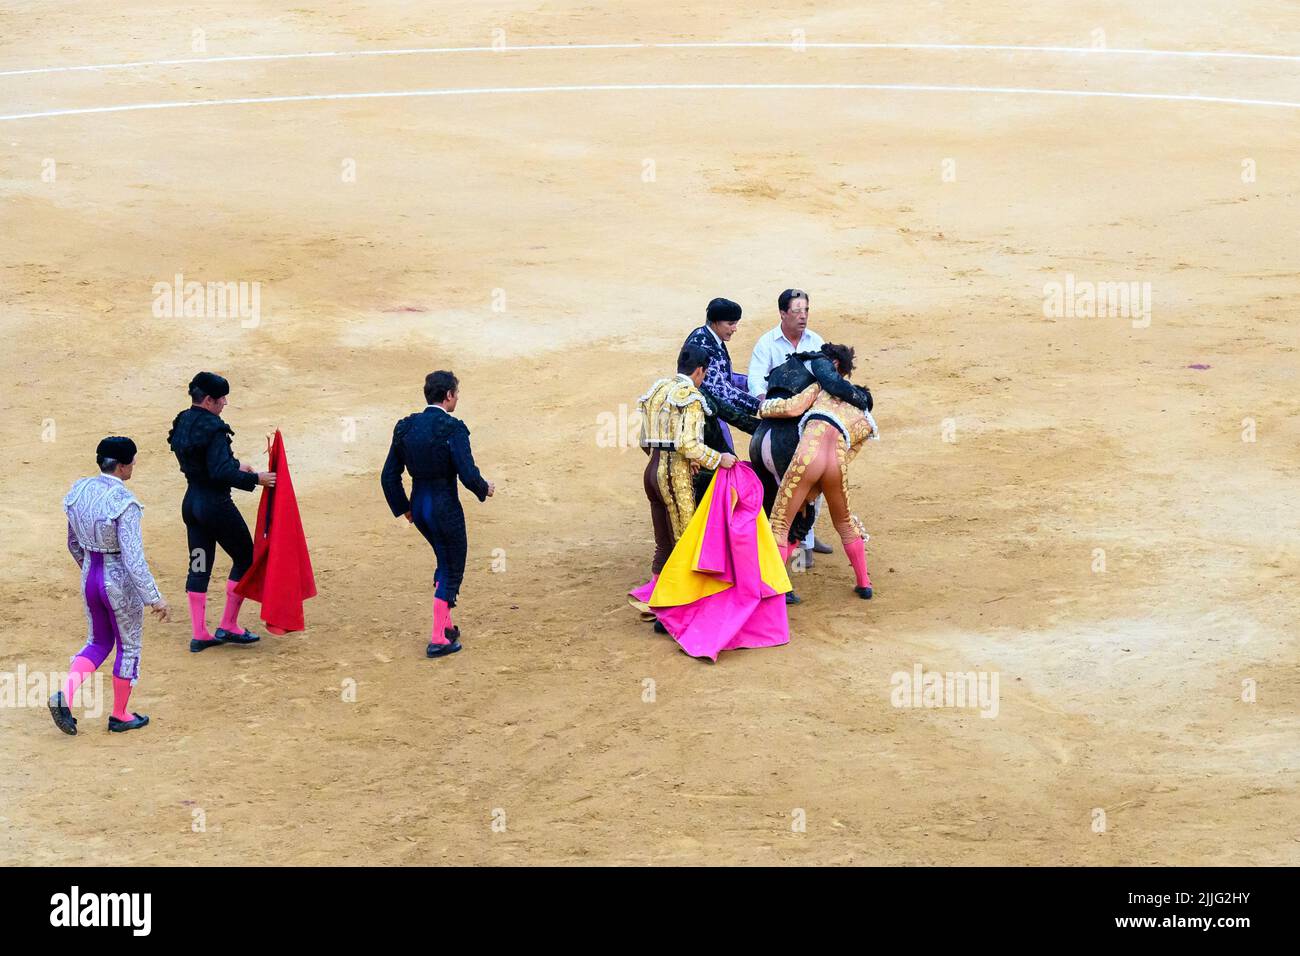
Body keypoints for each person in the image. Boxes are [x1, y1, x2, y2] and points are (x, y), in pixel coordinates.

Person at [48, 437, 169, 735]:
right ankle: (120, 714)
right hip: (118, 583)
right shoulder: (125, 503)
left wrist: (89, 569)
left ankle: (65, 695)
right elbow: (133, 558)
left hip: (90, 575)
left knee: (98, 641)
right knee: (128, 647)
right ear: (123, 466)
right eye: (133, 463)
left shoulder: (78, 491)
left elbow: (72, 542)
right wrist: (154, 598)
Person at [381, 370, 494, 659]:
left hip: (420, 507)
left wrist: (405, 508)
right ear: (448, 395)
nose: (457, 398)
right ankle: (438, 638)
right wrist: (485, 488)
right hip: (444, 508)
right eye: (456, 393)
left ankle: (446, 625)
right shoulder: (452, 429)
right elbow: (468, 475)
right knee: (452, 566)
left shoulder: (406, 427)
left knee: (444, 559)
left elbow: (388, 476)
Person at [759, 344, 878, 599]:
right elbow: (849, 453)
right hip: (835, 462)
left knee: (780, 523)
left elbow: (791, 408)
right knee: (845, 523)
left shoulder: (820, 389)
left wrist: (763, 409)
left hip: (807, 455)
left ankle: (775, 587)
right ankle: (864, 583)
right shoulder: (865, 420)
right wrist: (814, 490)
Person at [167, 372, 275, 653]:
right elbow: (219, 472)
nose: (225, 403)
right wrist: (256, 479)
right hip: (215, 506)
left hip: (192, 504)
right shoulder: (214, 427)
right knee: (245, 557)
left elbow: (204, 463)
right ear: (208, 400)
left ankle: (199, 633)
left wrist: (237, 464)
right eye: (221, 398)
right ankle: (228, 624)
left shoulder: (183, 420)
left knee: (199, 564)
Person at [635, 344, 738, 580]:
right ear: (700, 371)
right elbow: (688, 444)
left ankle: (656, 597)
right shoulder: (691, 396)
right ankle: (676, 607)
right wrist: (718, 458)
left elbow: (644, 440)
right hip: (674, 476)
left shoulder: (658, 389)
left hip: (651, 473)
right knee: (686, 542)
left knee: (663, 543)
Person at [747, 289, 833, 560]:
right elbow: (756, 383)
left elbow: (827, 380)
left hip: (808, 423)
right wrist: (772, 406)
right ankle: (791, 544)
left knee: (814, 483)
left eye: (806, 310)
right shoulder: (767, 344)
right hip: (778, 424)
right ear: (783, 313)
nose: (802, 316)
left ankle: (805, 536)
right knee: (786, 488)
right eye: (796, 311)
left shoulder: (815, 341)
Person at [681, 297, 761, 500]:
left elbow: (726, 378)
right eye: (730, 323)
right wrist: (761, 406)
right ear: (715, 322)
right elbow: (723, 391)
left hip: (709, 407)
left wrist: (757, 384)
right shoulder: (704, 343)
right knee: (725, 464)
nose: (734, 328)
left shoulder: (708, 336)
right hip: (706, 415)